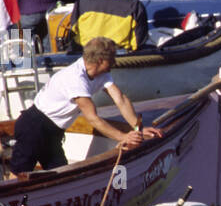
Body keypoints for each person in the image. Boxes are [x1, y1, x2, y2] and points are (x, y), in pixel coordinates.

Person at [10, 37, 158, 174]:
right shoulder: (75, 78)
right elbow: (93, 118)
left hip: (53, 133)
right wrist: (123, 137)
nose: (114, 63)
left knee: (62, 177)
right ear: (100, 60)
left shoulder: (102, 74)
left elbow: (121, 99)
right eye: (112, 59)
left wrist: (138, 129)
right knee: (19, 176)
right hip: (33, 127)